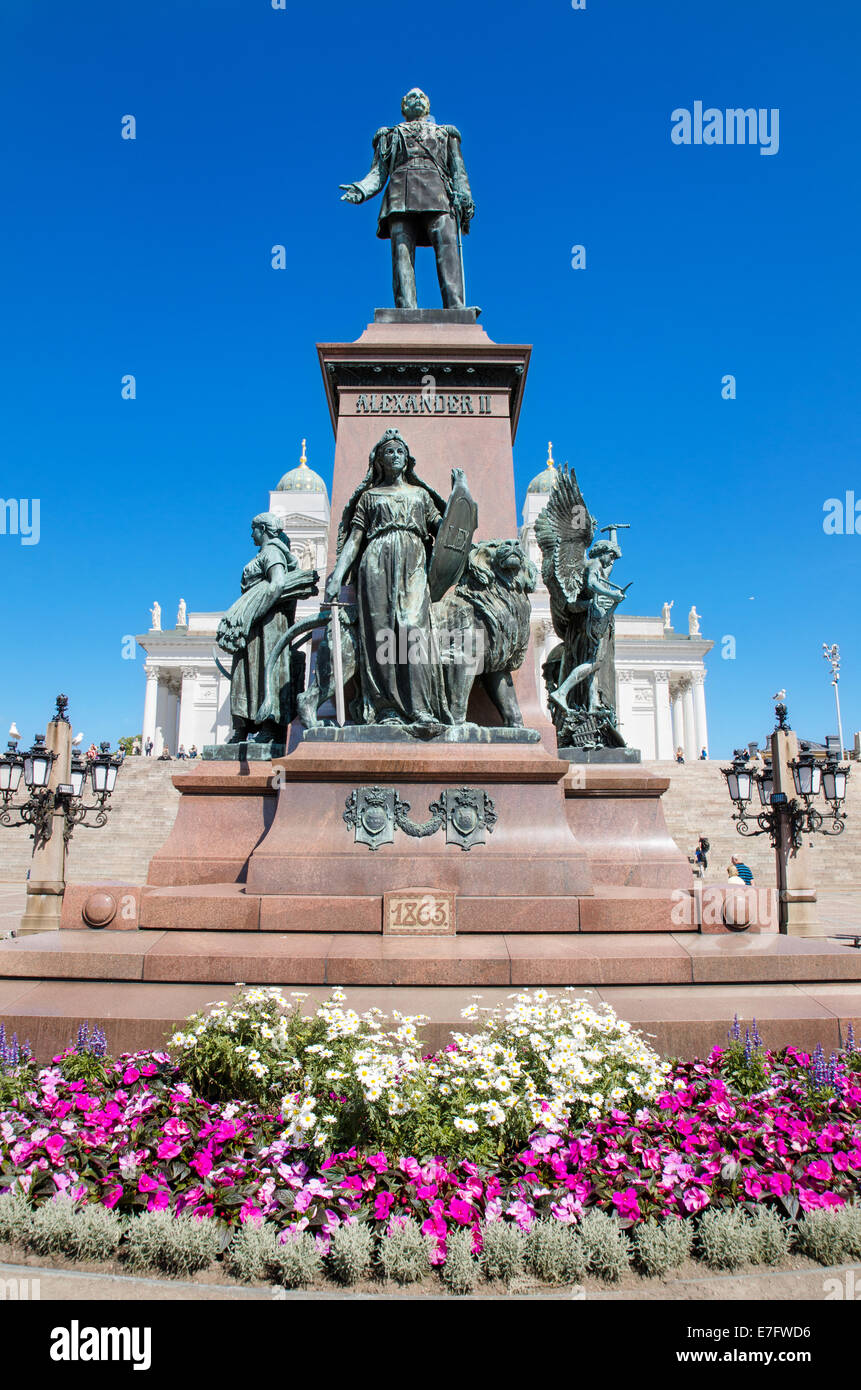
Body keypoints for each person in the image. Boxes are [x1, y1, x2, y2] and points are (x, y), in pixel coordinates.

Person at [325, 428, 453, 728]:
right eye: (388, 452)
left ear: (408, 459)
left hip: (413, 562)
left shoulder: (420, 495)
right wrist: (337, 576)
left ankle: (420, 707)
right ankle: (387, 709)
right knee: (380, 633)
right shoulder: (370, 497)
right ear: (379, 461)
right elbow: (355, 540)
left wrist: (460, 496)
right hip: (376, 563)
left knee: (412, 629)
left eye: (399, 451)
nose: (394, 456)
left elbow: (445, 529)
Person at [339, 87, 475, 310]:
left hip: (439, 194)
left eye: (422, 97)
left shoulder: (445, 134)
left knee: (448, 249)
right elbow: (378, 173)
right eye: (413, 97)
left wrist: (464, 196)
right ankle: (406, 309)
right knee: (401, 254)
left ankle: (456, 307)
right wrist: (361, 190)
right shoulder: (389, 135)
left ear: (428, 104)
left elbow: (458, 171)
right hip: (400, 193)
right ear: (404, 105)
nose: (418, 100)